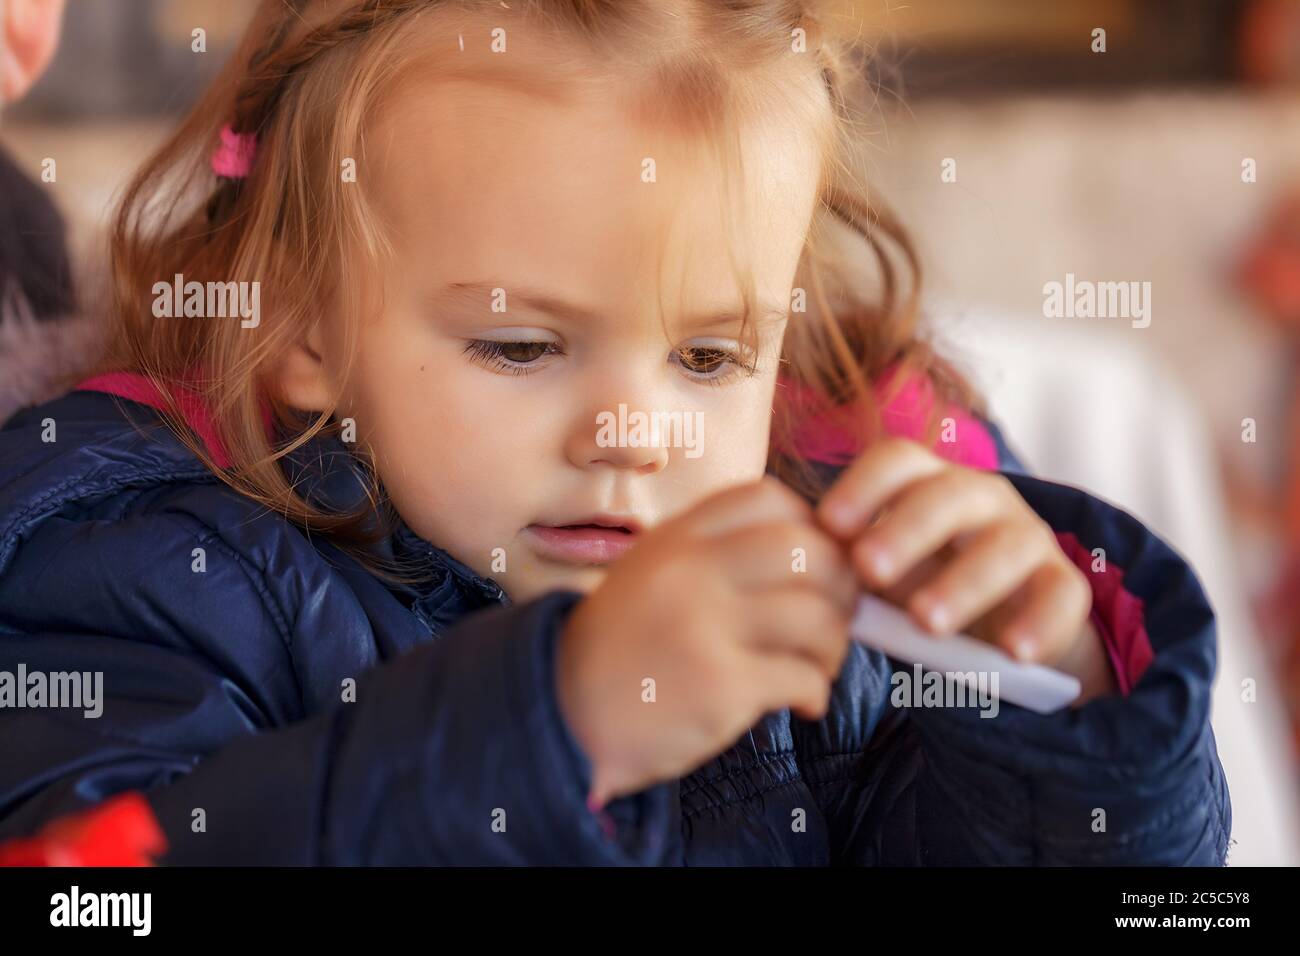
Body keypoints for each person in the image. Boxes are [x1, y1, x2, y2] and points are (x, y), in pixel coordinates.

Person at [0, 0, 1229, 865]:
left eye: (707, 356)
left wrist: (1050, 689)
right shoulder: (158, 574)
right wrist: (554, 725)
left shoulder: (827, 594)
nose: (633, 433)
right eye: (521, 347)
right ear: (305, 328)